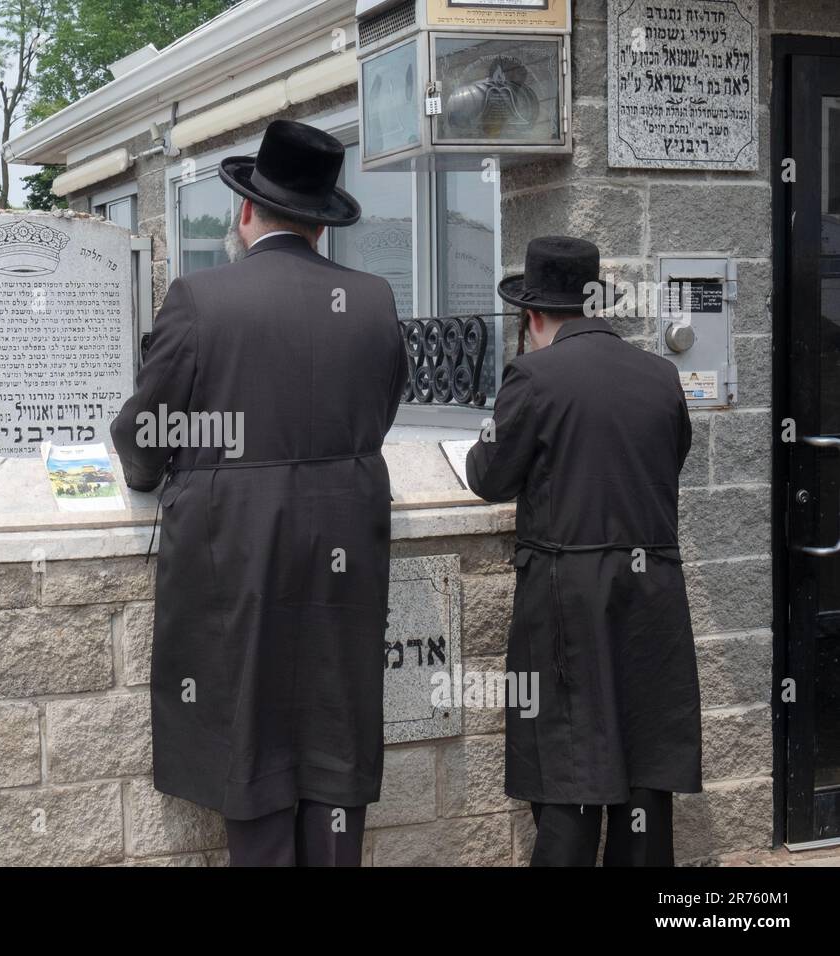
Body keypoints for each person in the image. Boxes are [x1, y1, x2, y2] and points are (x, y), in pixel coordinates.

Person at [111, 119, 410, 866]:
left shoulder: (200, 300)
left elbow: (143, 434)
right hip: (345, 535)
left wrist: (158, 476)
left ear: (246, 213)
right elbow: (381, 410)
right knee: (335, 724)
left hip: (237, 545)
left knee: (251, 733)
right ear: (319, 223)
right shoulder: (373, 300)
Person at [466, 235, 702, 866]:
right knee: (643, 773)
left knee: (569, 775)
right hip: (651, 595)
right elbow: (670, 461)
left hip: (566, 599)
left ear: (532, 317)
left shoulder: (532, 376)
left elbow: (487, 475)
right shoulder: (661, 376)